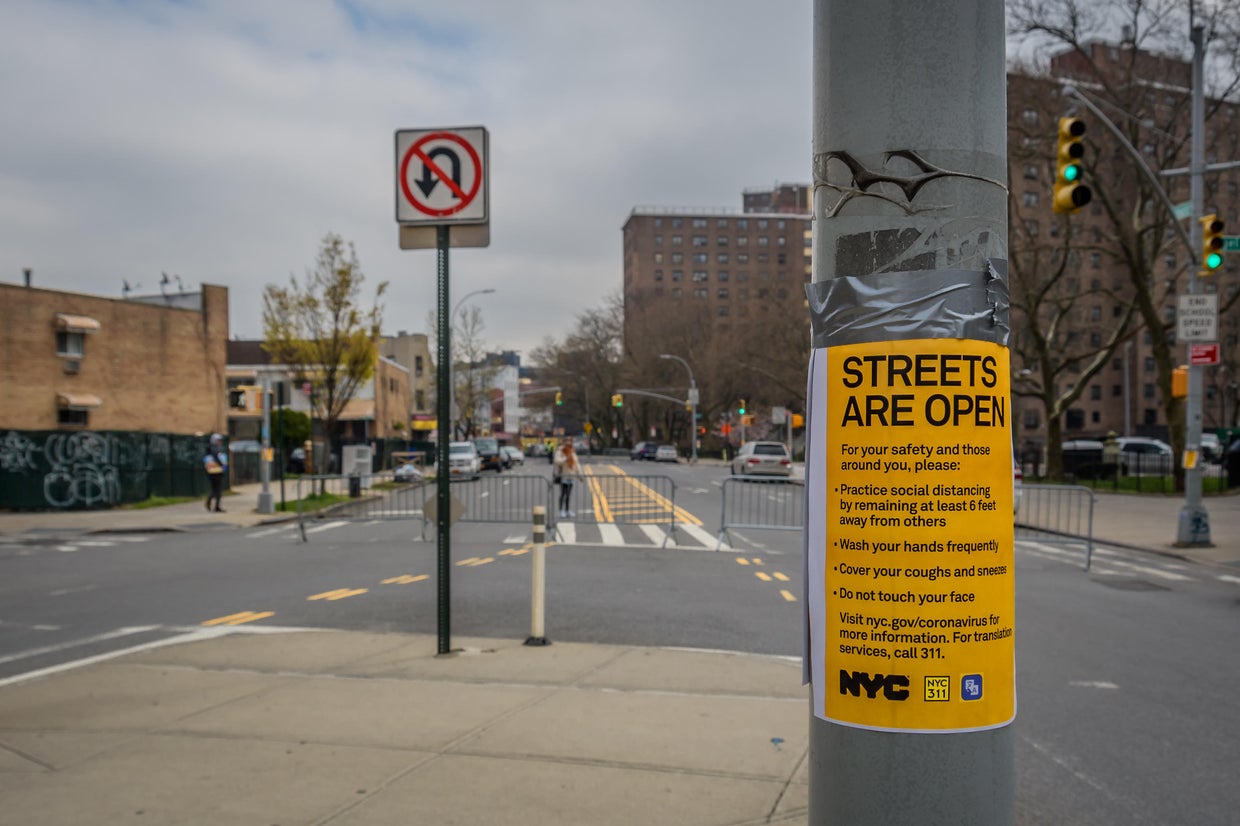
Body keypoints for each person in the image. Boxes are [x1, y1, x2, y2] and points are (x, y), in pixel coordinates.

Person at [553, 439, 581, 518]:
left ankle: (567, 510)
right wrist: (566, 459)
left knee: (568, 495)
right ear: (564, 445)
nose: (569, 447)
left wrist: (580, 475)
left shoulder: (573, 453)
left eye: (570, 445)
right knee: (563, 494)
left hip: (571, 476)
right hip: (563, 476)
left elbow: (576, 465)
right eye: (567, 445)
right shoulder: (560, 452)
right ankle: (560, 510)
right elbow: (557, 461)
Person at [203, 433, 228, 512]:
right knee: (218, 489)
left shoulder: (210, 449)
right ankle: (215, 506)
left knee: (215, 489)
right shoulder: (215, 449)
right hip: (216, 471)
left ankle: (210, 502)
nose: (220, 442)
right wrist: (222, 465)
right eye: (218, 440)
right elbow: (216, 457)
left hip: (212, 471)